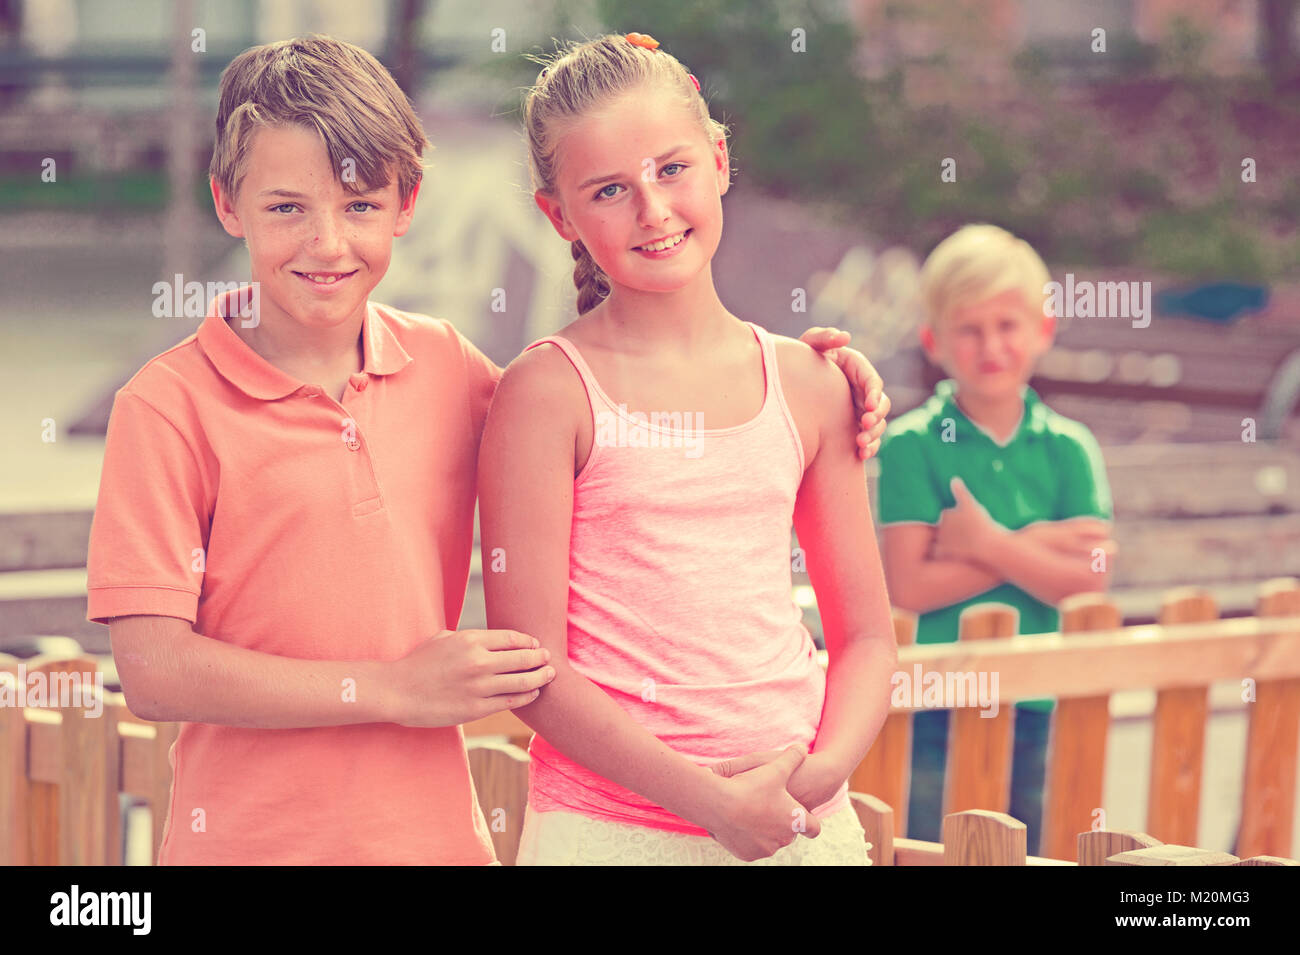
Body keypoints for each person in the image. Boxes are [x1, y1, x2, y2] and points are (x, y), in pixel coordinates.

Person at [86, 34, 892, 864]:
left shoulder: (451, 372)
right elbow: (152, 668)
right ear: (227, 202)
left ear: (406, 206)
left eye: (359, 206)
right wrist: (391, 688)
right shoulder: (165, 407)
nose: (326, 243)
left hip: (437, 844)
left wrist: (832, 381)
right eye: (287, 207)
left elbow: (625, 426)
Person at [478, 32, 898, 865]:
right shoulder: (545, 394)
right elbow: (532, 670)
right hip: (605, 838)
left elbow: (867, 639)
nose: (654, 210)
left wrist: (814, 781)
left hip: (802, 831)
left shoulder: (810, 382)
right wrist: (714, 804)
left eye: (672, 169)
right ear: (558, 215)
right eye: (609, 190)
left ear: (718, 158)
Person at [876, 223, 1116, 855]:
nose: (991, 346)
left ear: (1044, 330)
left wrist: (984, 540)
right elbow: (909, 586)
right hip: (933, 700)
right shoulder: (911, 445)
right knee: (932, 850)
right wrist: (1037, 547)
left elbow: (1089, 577)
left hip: (1038, 701)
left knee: (1033, 852)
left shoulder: (1070, 449)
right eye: (969, 329)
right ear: (933, 341)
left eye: (1007, 325)